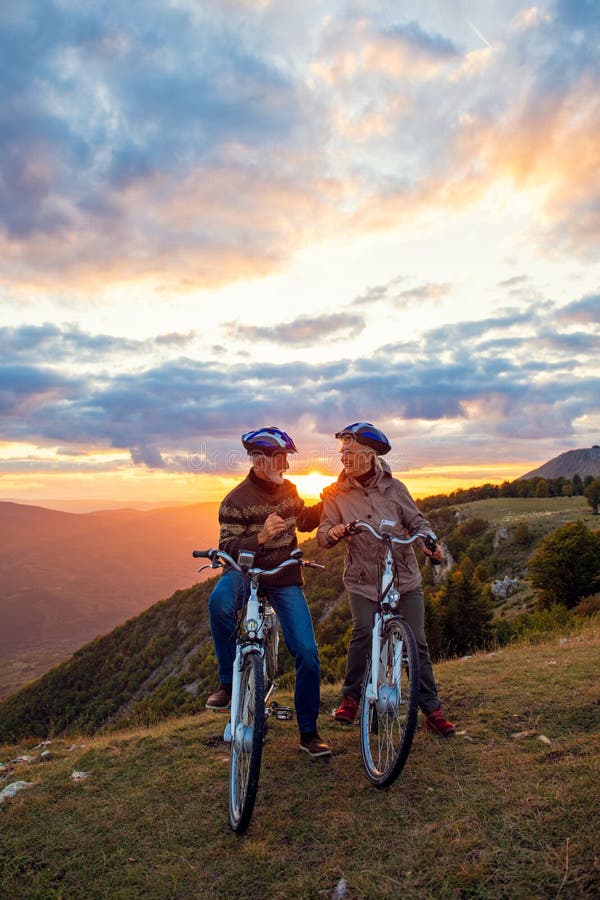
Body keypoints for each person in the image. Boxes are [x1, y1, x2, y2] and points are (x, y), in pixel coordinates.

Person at [317, 422, 455, 737]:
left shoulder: (395, 489)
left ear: (369, 455)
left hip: (403, 578)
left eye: (349, 453)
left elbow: (418, 522)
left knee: (416, 643)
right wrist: (334, 532)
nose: (343, 459)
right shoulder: (334, 494)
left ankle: (431, 711)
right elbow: (323, 534)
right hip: (363, 581)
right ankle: (351, 698)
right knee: (364, 631)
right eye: (342, 452)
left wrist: (427, 542)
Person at [206, 426, 332, 758]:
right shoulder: (235, 501)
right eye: (280, 459)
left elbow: (304, 521)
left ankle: (308, 732)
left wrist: (328, 501)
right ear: (260, 461)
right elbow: (227, 548)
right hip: (244, 573)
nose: (286, 467)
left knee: (307, 652)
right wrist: (259, 538)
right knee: (218, 603)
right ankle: (227, 683)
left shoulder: (289, 490)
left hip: (283, 576)